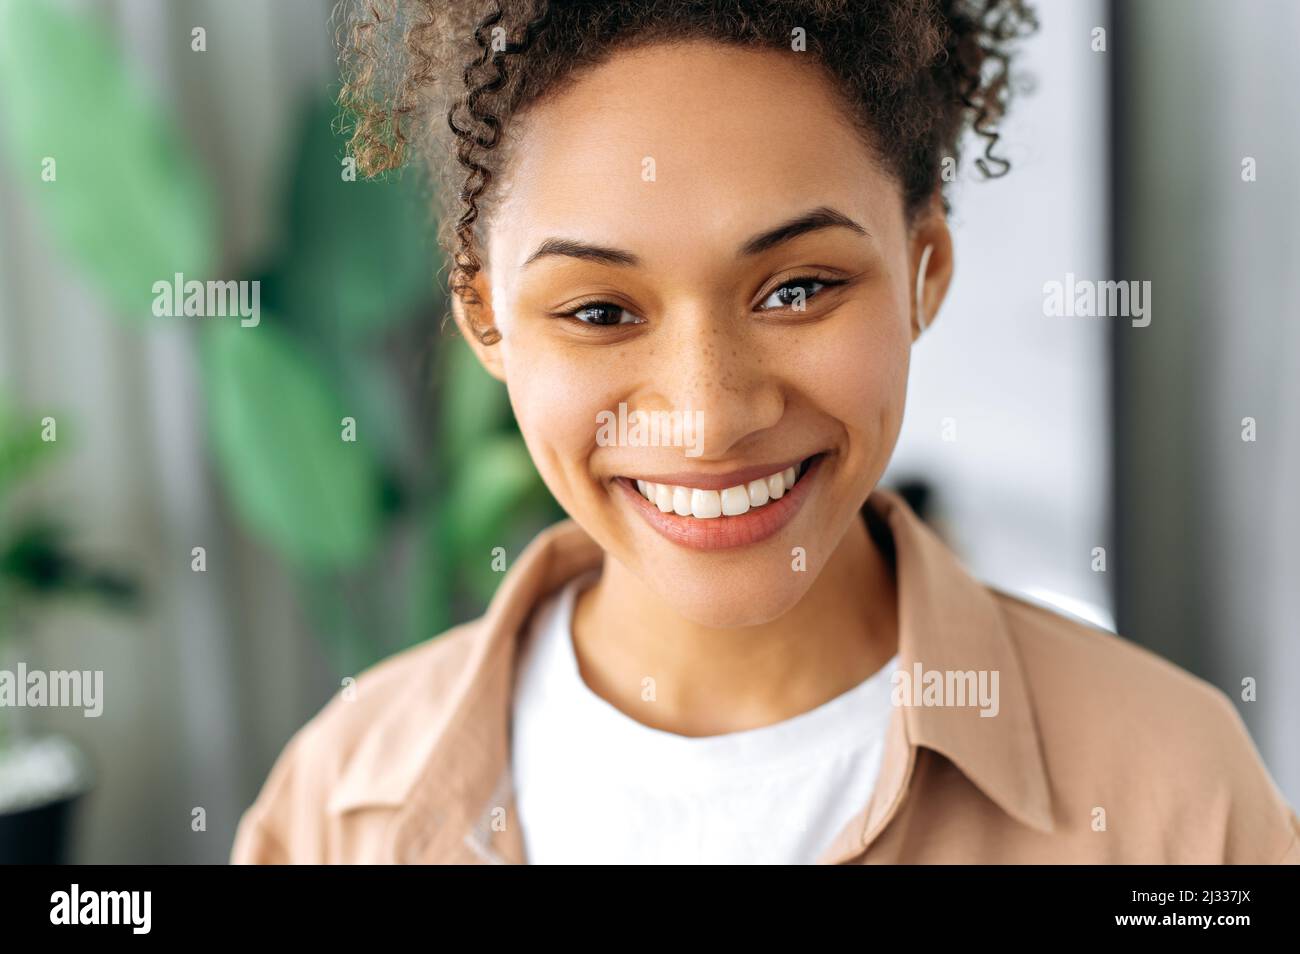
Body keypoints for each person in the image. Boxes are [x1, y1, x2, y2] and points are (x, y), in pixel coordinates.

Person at [231, 0, 1299, 864]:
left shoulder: (1172, 799)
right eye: (599, 311)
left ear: (924, 272)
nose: (707, 417)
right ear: (485, 320)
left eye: (796, 290)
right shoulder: (339, 806)